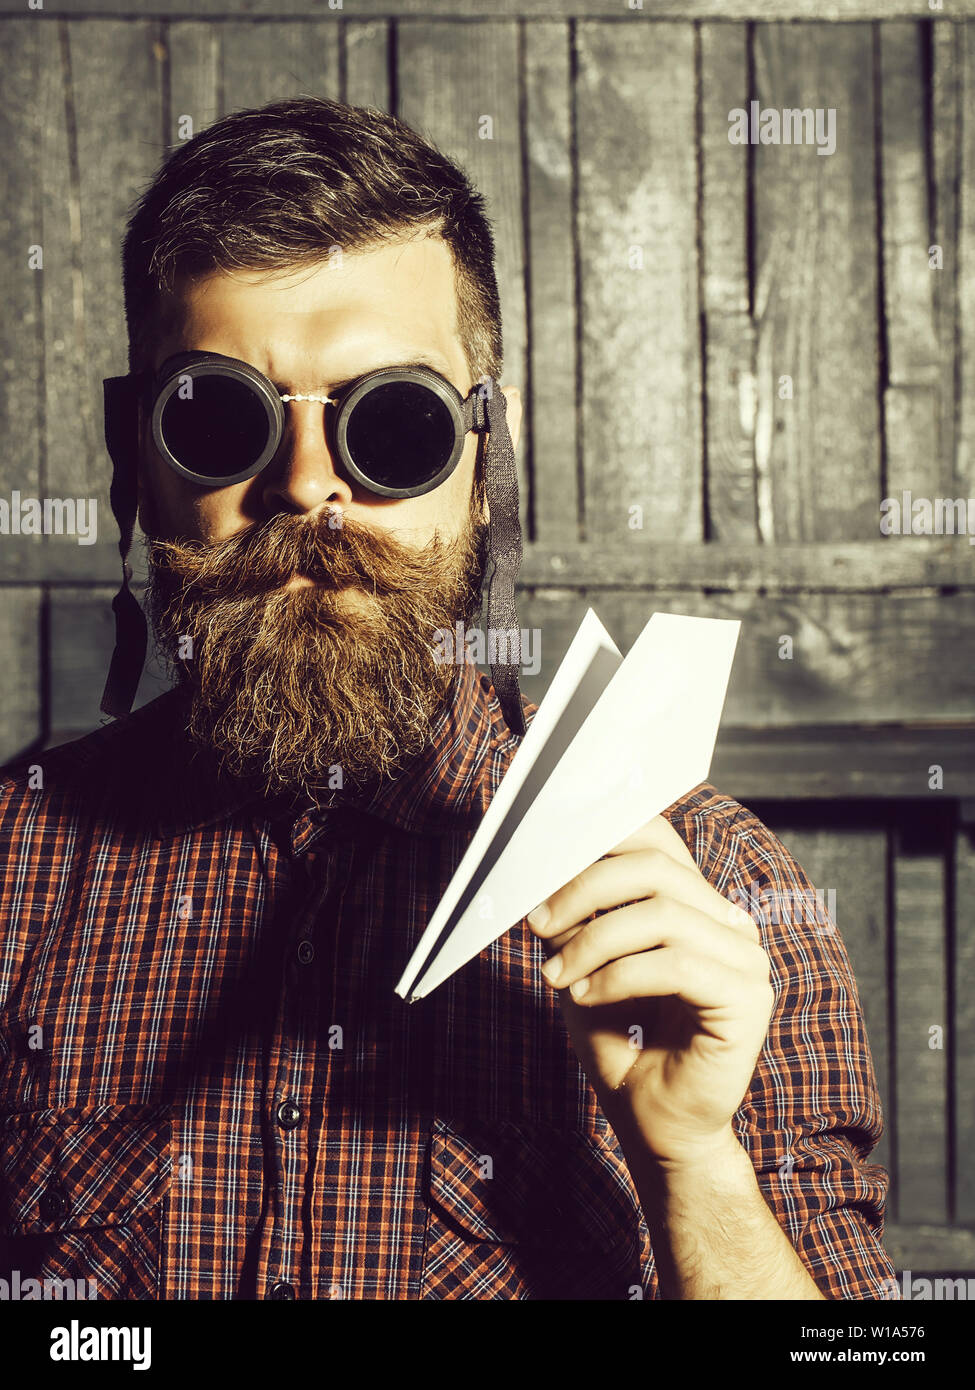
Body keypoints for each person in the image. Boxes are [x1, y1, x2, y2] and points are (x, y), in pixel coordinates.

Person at [0, 96, 896, 1300]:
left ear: (488, 468)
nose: (310, 486)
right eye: (219, 417)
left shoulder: (710, 890)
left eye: (397, 424)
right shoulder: (18, 860)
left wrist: (695, 1164)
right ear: (137, 460)